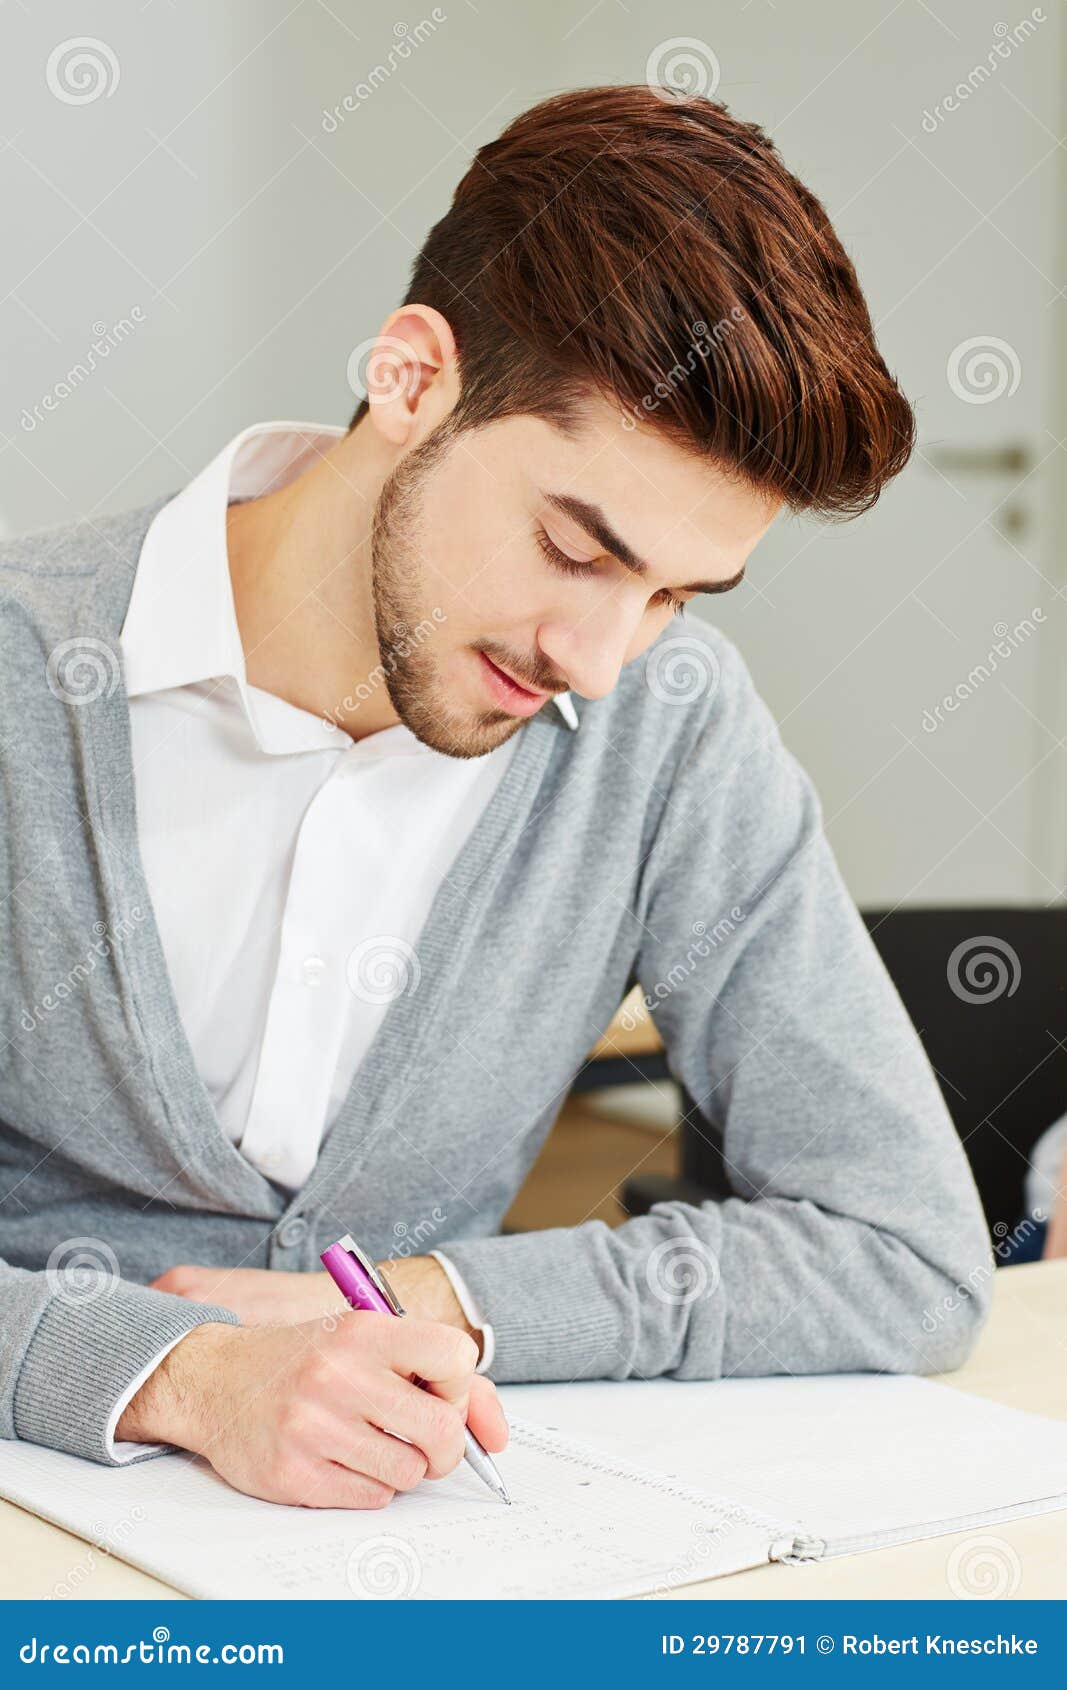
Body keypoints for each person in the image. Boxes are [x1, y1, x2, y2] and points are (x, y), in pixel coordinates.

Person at [0, 85, 992, 1511]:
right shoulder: (27, 674)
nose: (598, 658)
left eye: (675, 594)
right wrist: (175, 1374)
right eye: (576, 551)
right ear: (412, 379)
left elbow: (904, 1249)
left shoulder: (666, 727)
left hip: (415, 1552)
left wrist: (435, 1299)